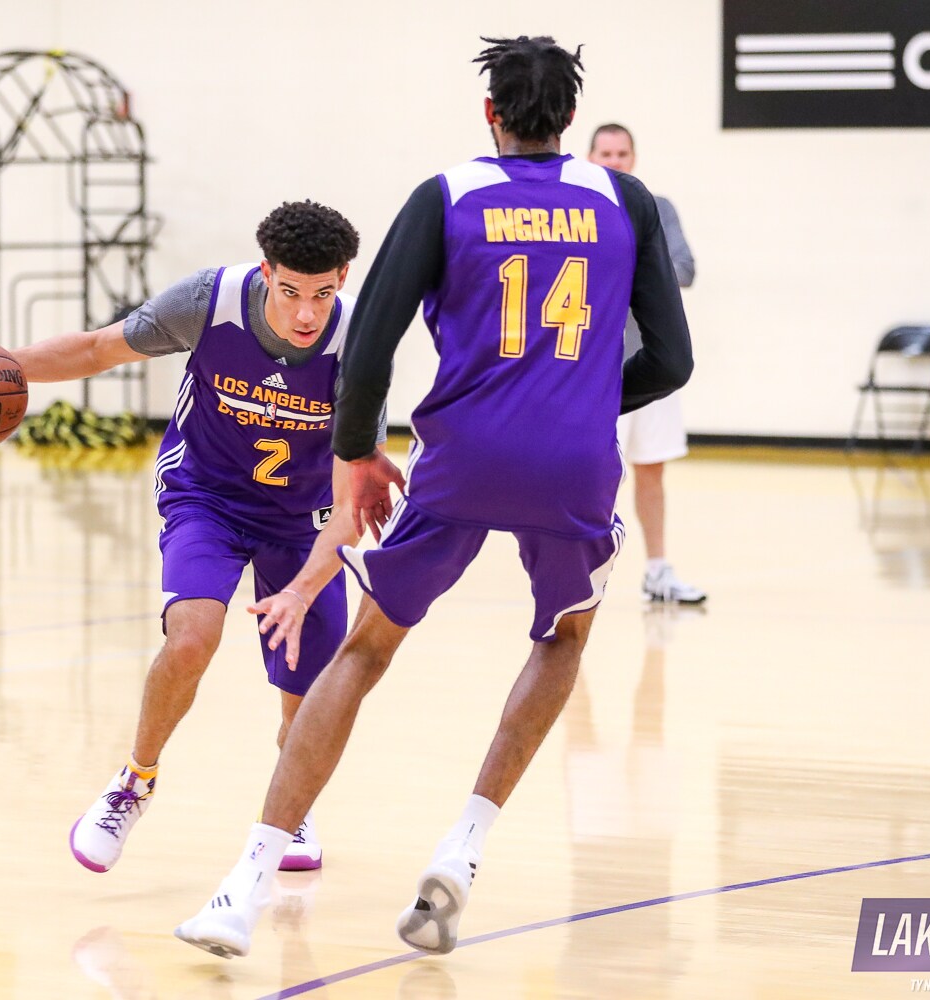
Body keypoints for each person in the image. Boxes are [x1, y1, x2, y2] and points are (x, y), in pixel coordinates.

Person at [174, 35, 692, 959]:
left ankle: (244, 885)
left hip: (461, 456)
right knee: (563, 637)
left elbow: (367, 344)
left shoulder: (447, 196)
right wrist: (574, 407)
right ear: (571, 120)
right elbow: (674, 358)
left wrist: (362, 453)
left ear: (489, 115)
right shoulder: (628, 200)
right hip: (573, 466)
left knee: (368, 652)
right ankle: (466, 845)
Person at [5, 200, 377, 876]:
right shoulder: (211, 301)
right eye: (291, 291)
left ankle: (291, 809)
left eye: (323, 295)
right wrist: (3, 368)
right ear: (267, 272)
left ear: (344, 280)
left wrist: (299, 591)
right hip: (207, 495)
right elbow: (97, 349)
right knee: (191, 639)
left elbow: (353, 510)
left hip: (305, 523)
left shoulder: (358, 343)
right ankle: (133, 782)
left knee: (306, 703)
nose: (305, 314)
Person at [588, 123, 704, 604]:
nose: (614, 161)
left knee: (651, 469)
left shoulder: (656, 207)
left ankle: (657, 571)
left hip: (648, 362)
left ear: (633, 158)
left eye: (622, 153)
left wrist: (627, 263)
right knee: (593, 471)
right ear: (589, 157)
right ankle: (584, 574)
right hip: (591, 366)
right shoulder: (577, 211)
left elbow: (684, 269)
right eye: (605, 153)